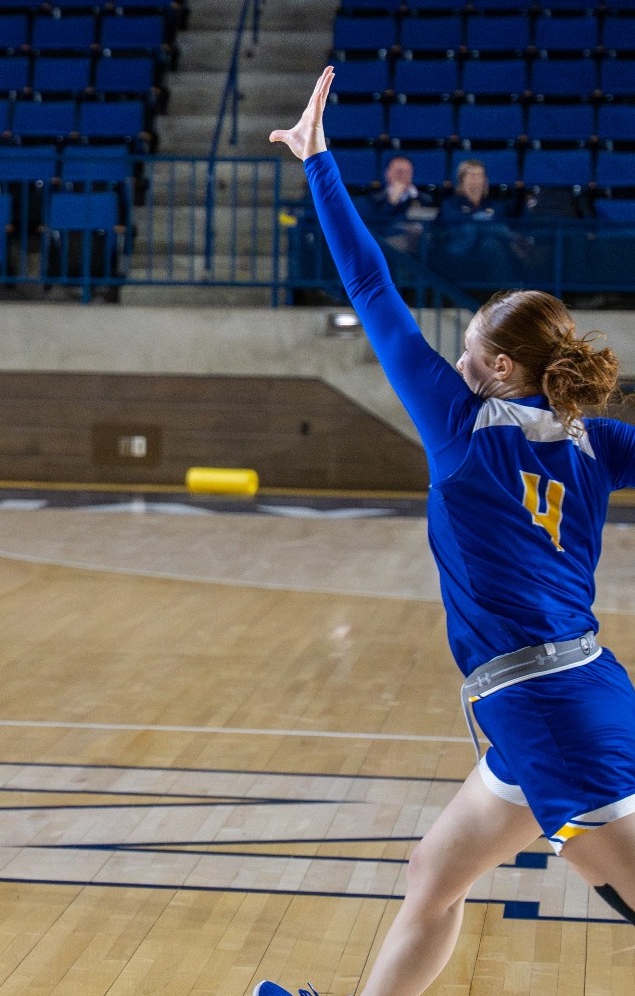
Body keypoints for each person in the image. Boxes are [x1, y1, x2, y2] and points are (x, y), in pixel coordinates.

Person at [258, 67, 635, 996]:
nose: (452, 358)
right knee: (432, 877)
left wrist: (319, 163)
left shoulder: (461, 428)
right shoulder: (594, 443)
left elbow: (371, 288)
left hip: (553, 713)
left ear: (500, 368)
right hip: (549, 698)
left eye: (466, 348)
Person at [356, 154, 430, 252]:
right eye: (398, 172)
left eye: (406, 172)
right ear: (387, 173)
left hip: (416, 249)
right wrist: (392, 202)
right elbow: (374, 225)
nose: (402, 175)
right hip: (384, 245)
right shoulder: (375, 199)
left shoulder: (424, 199)